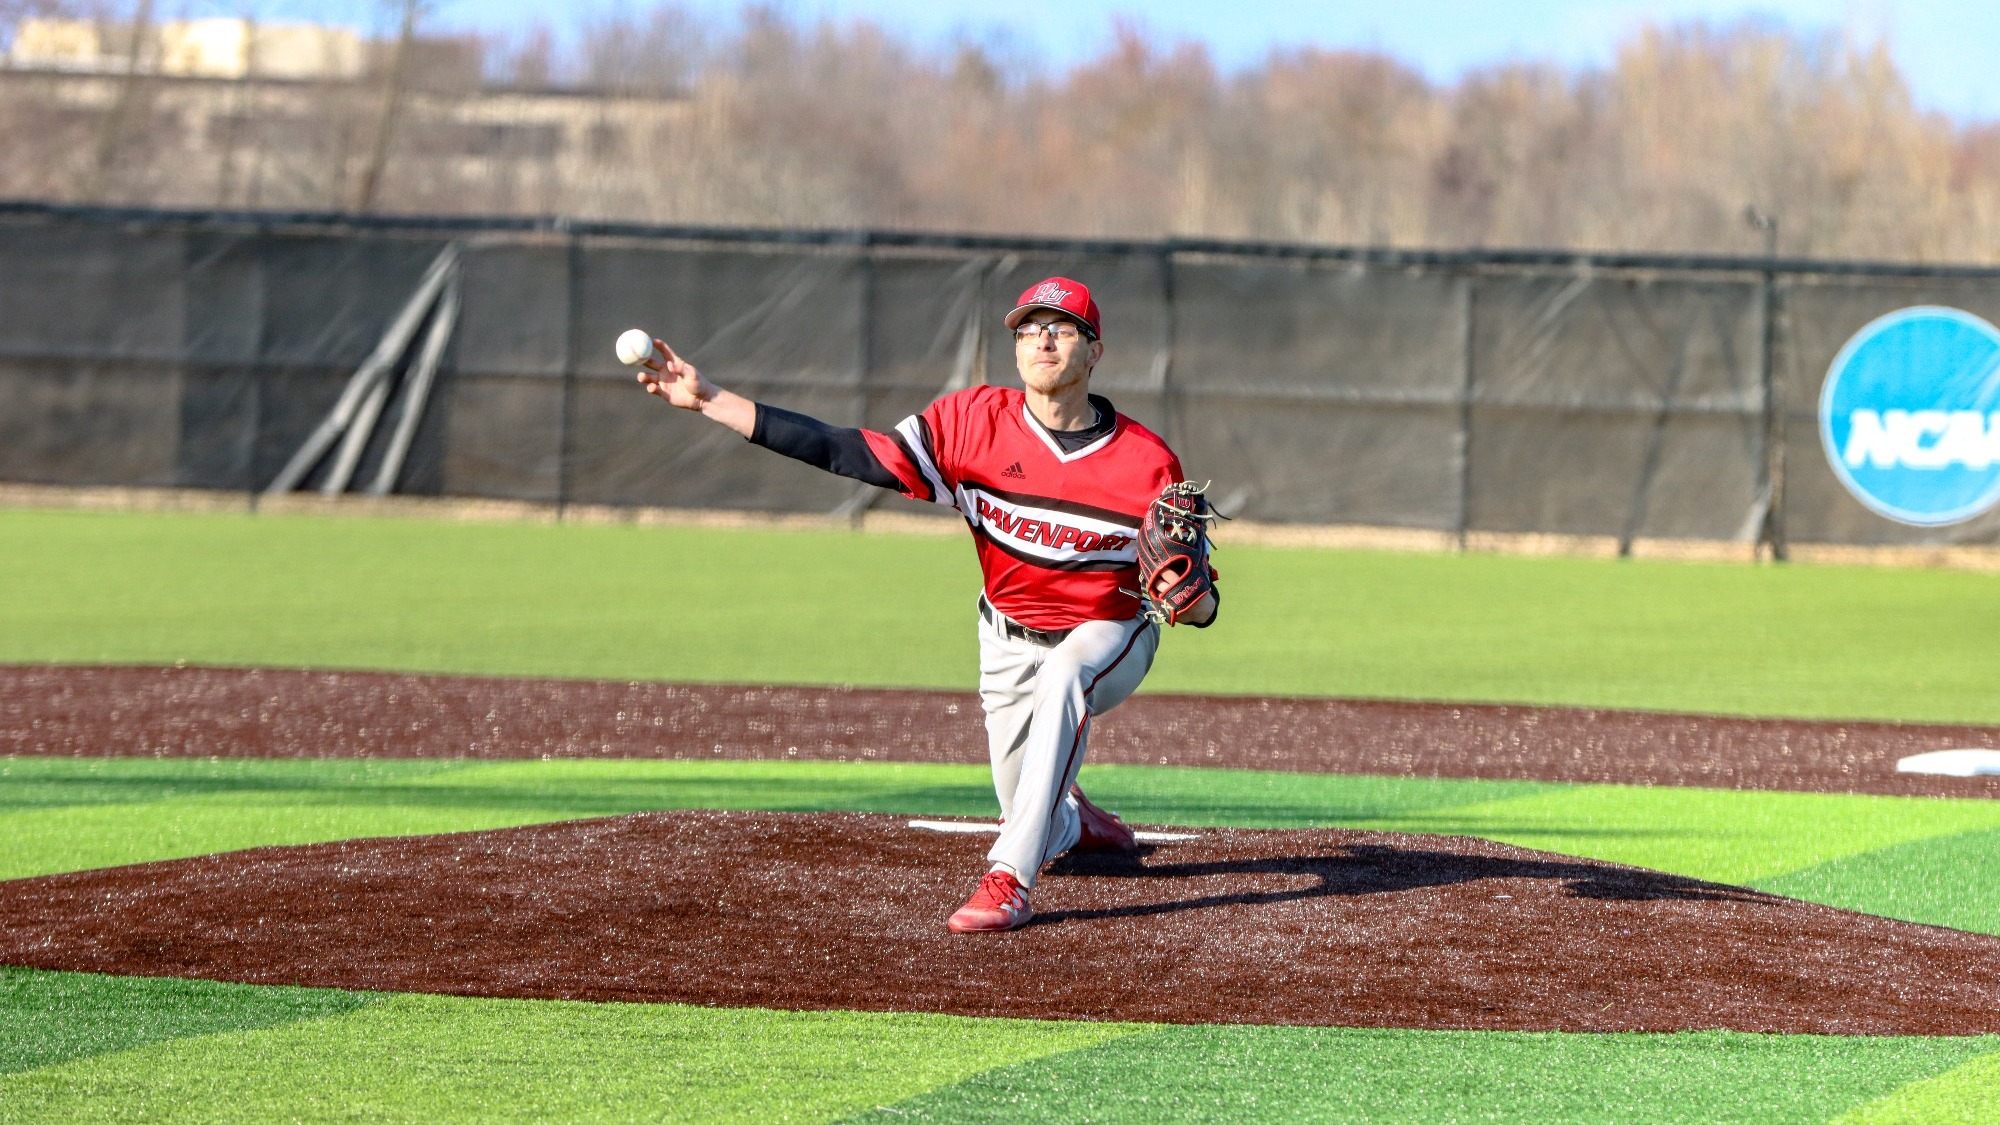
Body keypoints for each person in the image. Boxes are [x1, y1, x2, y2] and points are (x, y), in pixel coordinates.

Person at [635, 276, 1218, 933]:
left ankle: (1009, 880)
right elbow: (849, 452)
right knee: (1027, 799)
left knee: (1065, 679)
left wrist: (1193, 603)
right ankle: (1073, 824)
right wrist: (711, 398)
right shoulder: (972, 424)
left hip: (1109, 632)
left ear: (1094, 351)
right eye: (1029, 328)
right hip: (1005, 638)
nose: (1043, 339)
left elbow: (1200, 605)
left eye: (1062, 327)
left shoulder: (1146, 463)